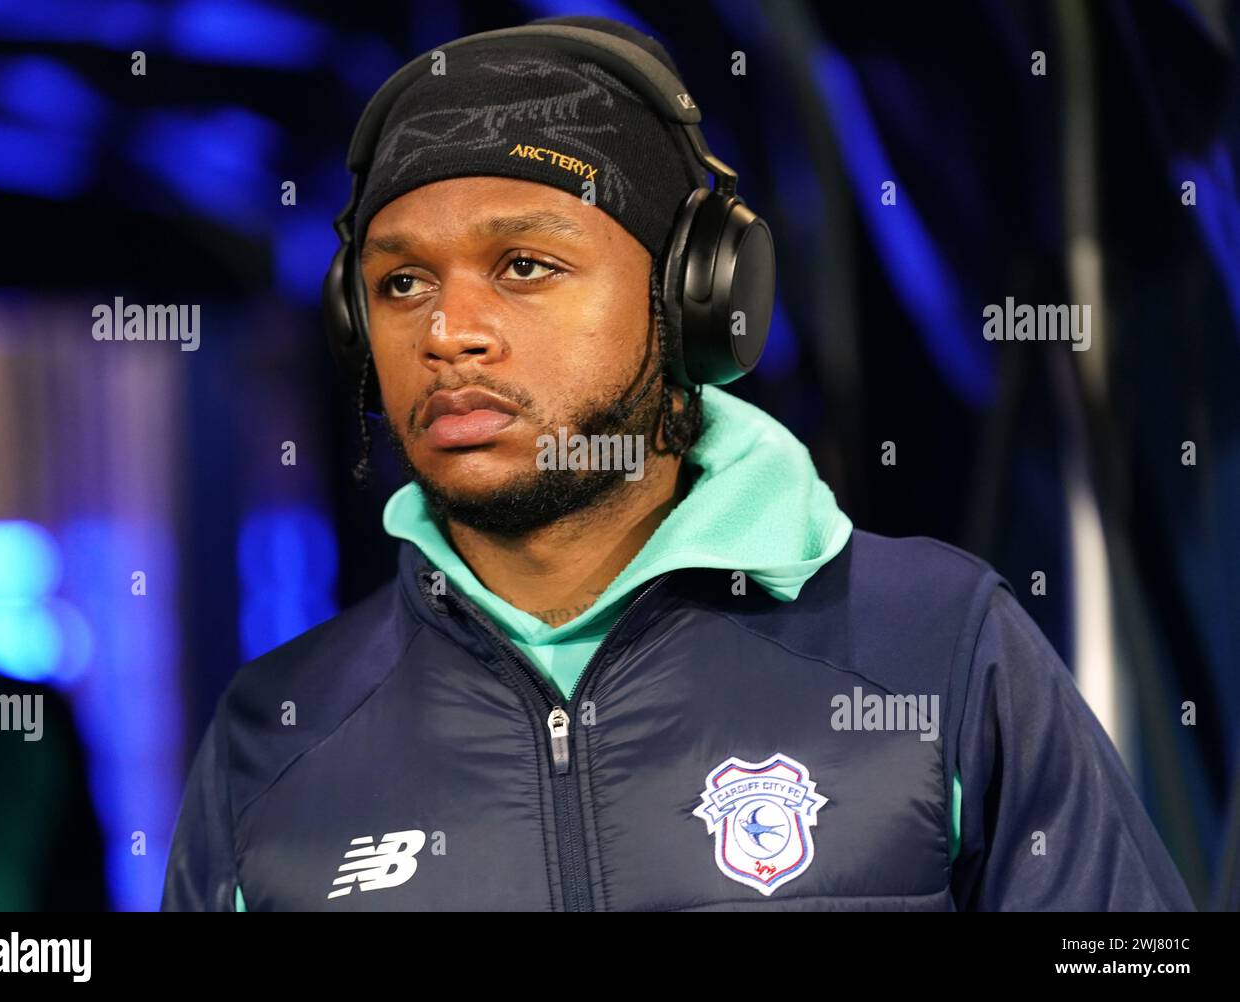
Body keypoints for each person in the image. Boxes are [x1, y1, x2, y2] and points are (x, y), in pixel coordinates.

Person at [161, 15, 1193, 911]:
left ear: (694, 299)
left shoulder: (938, 645)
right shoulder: (277, 731)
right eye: (398, 284)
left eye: (525, 265)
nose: (449, 331)